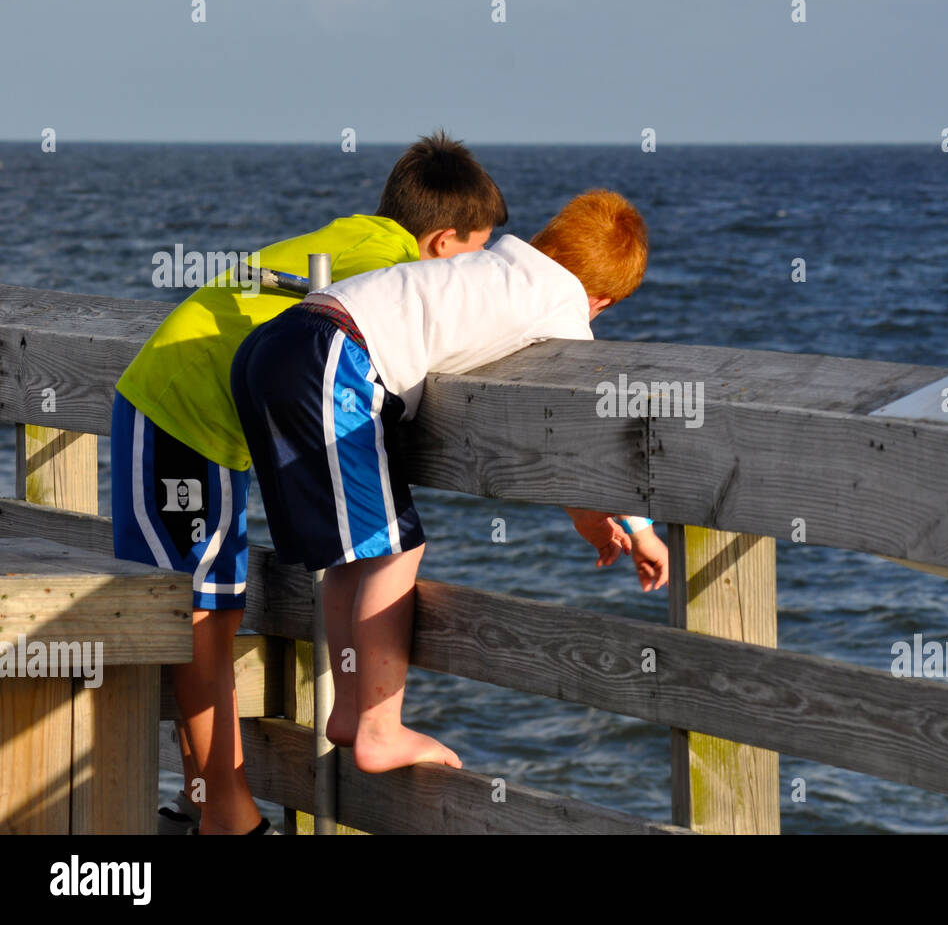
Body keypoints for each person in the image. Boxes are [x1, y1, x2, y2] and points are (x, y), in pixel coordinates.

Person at [112, 131, 507, 834]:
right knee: (202, 618)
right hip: (177, 414)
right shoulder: (389, 265)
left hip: (197, 413)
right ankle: (225, 811)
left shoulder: (361, 238)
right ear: (443, 244)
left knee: (209, 612)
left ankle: (203, 797)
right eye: (476, 256)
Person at [229, 189, 663, 775]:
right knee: (395, 549)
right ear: (603, 300)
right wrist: (635, 524)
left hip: (277, 344)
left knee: (351, 556)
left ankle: (350, 711)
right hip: (335, 356)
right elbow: (571, 431)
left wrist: (586, 513)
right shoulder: (562, 305)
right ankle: (380, 728)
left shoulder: (501, 264)